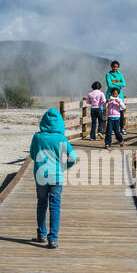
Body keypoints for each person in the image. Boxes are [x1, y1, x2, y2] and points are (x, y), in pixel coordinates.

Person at [29, 107, 78, 249]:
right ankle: (53, 239)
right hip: (56, 176)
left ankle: (41, 234)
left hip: (40, 176)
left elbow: (32, 154)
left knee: (42, 204)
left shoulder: (37, 137)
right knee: (55, 206)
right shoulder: (61, 138)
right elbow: (73, 157)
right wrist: (63, 167)